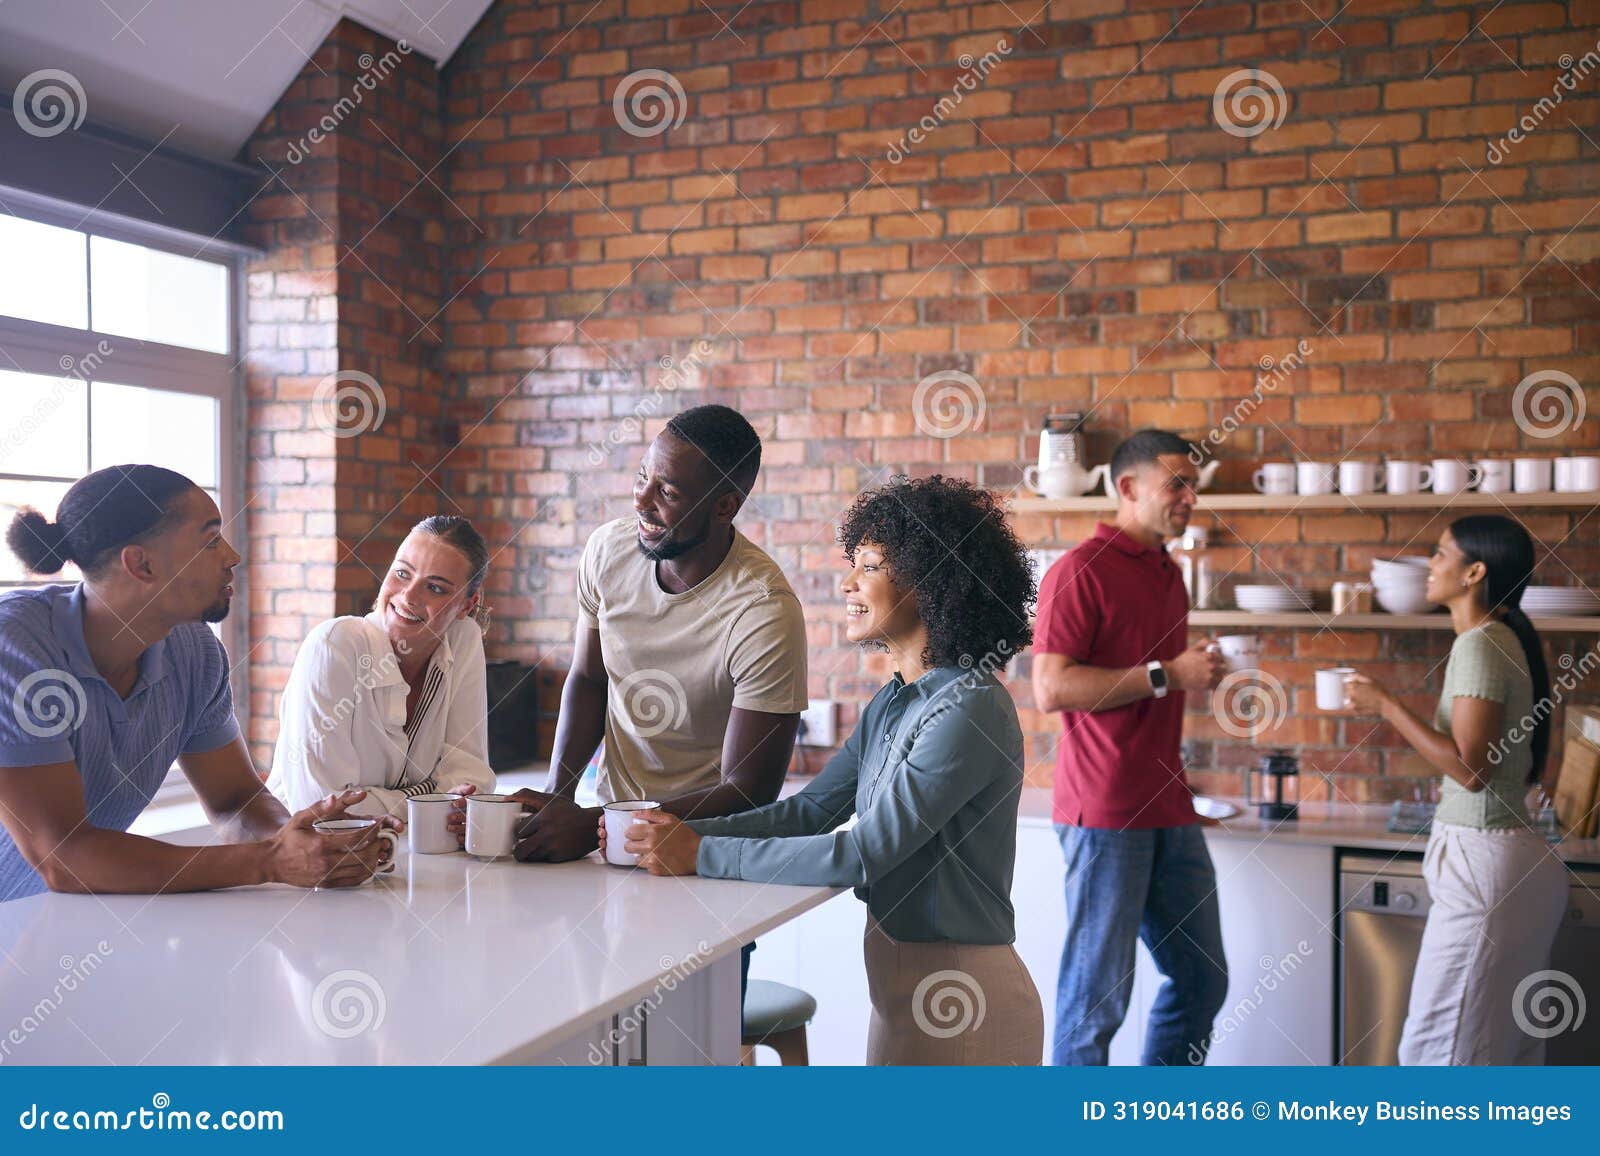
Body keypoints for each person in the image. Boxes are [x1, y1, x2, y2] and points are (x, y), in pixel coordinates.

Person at [612, 475, 1043, 1064]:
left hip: (965, 997)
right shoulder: (896, 701)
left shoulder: (969, 706)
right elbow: (810, 811)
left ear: (928, 577)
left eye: (868, 566)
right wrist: (682, 833)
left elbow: (863, 852)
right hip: (902, 992)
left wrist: (701, 855)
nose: (848, 584)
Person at [0, 465, 396, 902]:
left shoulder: (195, 651)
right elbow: (64, 857)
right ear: (141, 563)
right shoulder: (15, 649)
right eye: (210, 540)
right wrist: (268, 861)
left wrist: (299, 842)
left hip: (60, 921)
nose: (231, 555)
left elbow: (236, 799)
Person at [507, 405, 808, 860]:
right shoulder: (607, 552)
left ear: (725, 506)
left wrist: (596, 826)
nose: (641, 501)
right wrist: (559, 795)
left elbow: (750, 790)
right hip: (611, 833)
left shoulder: (763, 611)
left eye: (666, 491)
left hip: (705, 850)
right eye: (642, 477)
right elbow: (590, 679)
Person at [1031, 429, 1229, 1066]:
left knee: (1202, 980)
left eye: (1193, 485)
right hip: (1107, 813)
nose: (1190, 496)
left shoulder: (1171, 574)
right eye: (1176, 483)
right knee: (1096, 1005)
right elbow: (1051, 687)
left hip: (1168, 806)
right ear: (1127, 488)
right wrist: (1168, 672)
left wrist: (1181, 672)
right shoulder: (1077, 572)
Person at [1343, 515, 1568, 1064]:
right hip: (1506, 858)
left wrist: (1386, 705)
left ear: (1475, 573)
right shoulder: (1501, 638)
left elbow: (1472, 769)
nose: (1430, 564)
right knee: (1497, 1056)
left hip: (1483, 861)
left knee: (1438, 1056)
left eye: (1441, 554)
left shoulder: (1480, 645)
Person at [267, 515, 496, 825]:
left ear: (467, 605)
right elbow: (324, 812)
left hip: (401, 852)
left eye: (436, 588)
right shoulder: (334, 645)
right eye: (402, 573)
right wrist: (433, 801)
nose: (408, 596)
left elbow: (472, 776)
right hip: (303, 860)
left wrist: (386, 802)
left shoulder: (463, 638)